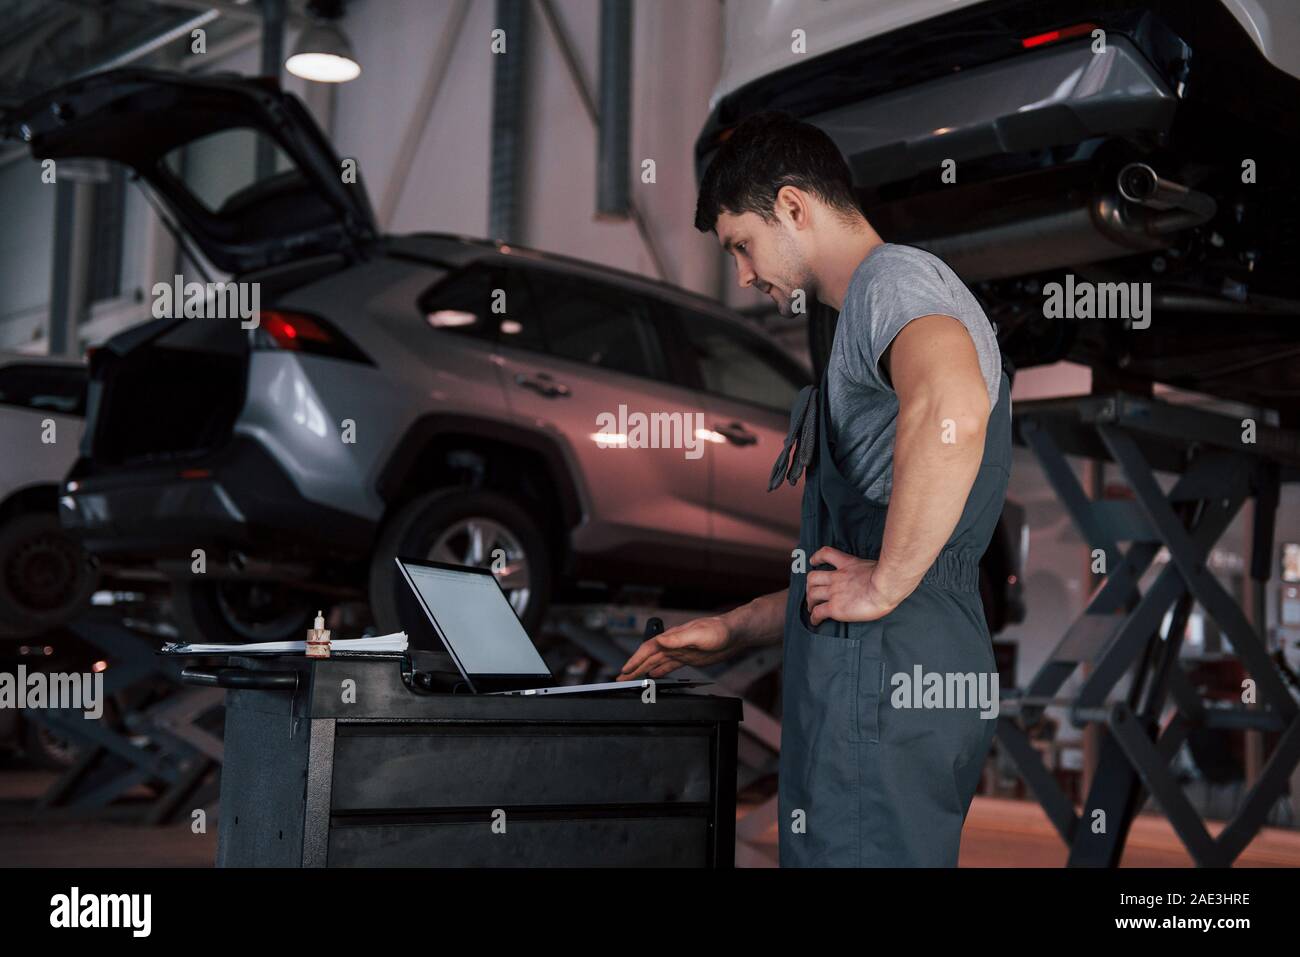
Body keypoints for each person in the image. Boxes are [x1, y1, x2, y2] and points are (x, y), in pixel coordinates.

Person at [617, 111, 1011, 867]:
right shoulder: (862, 315)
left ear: (794, 207)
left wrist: (888, 580)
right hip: (892, 668)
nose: (743, 275)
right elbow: (846, 572)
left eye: (742, 244)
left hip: (881, 678)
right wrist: (733, 629)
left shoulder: (891, 282)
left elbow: (951, 406)